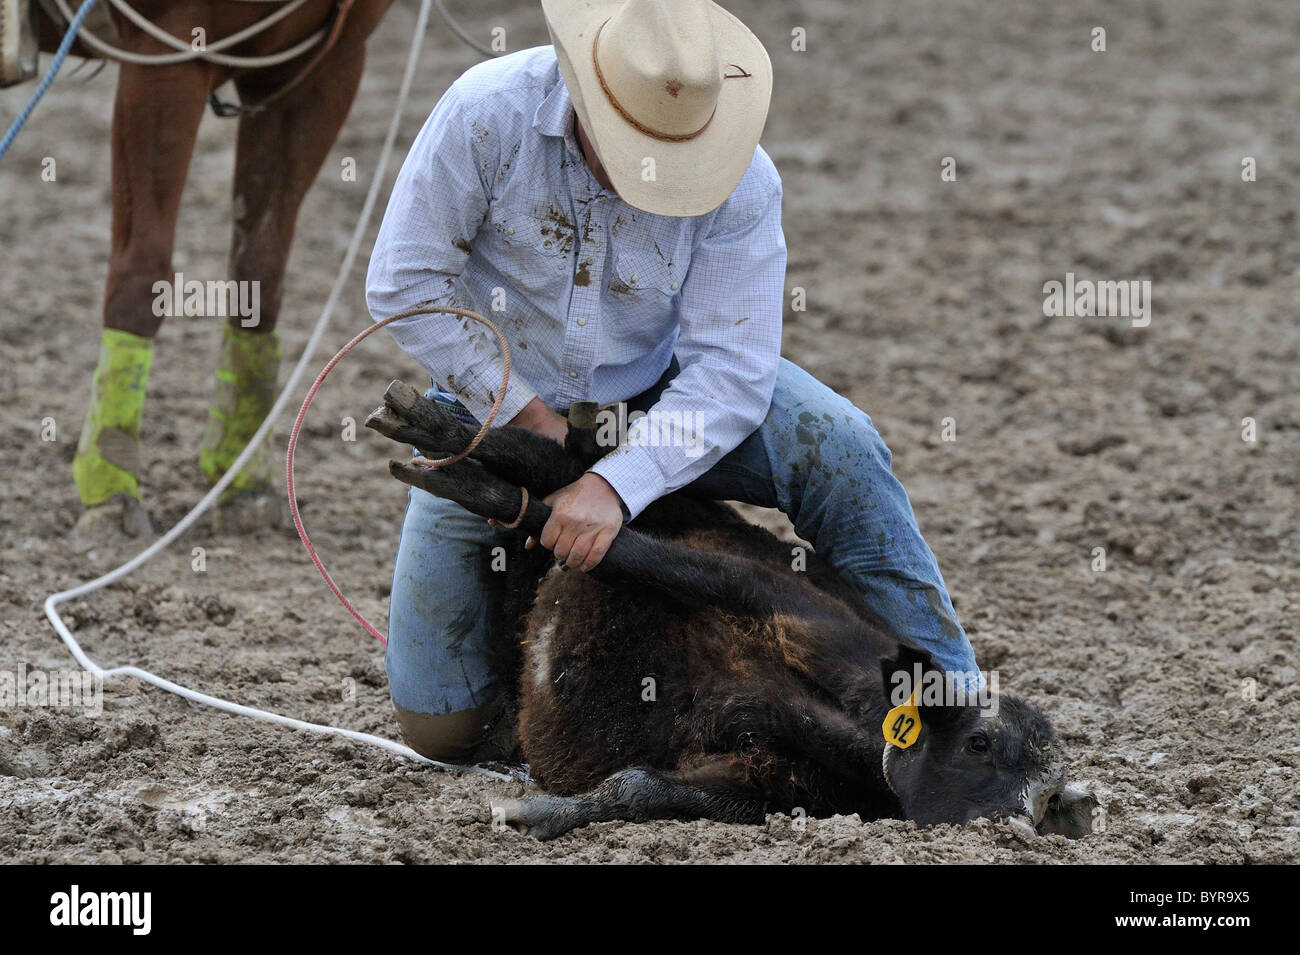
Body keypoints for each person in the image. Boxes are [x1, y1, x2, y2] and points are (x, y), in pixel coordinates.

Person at [365, 0, 976, 760]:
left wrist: (614, 485)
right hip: (497, 401)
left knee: (840, 446)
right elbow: (406, 284)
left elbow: (731, 367)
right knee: (440, 731)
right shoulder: (486, 116)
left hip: (662, 389)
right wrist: (531, 427)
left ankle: (957, 703)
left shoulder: (744, 181)